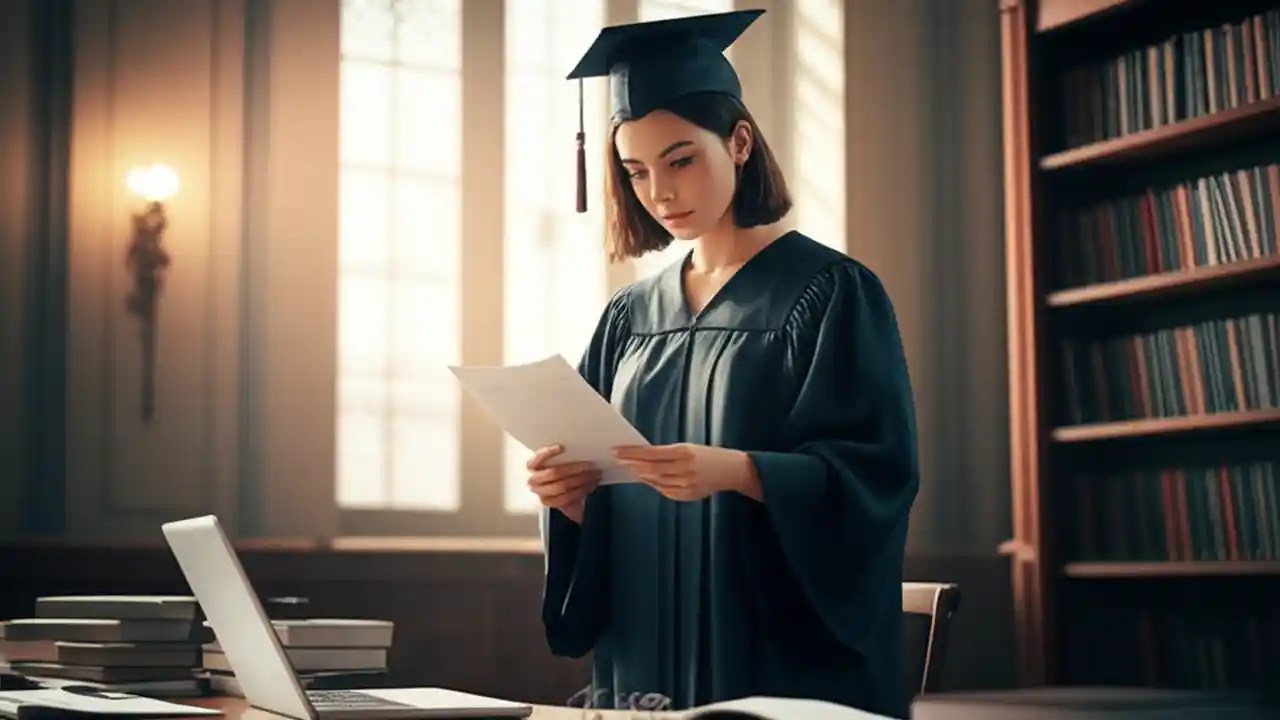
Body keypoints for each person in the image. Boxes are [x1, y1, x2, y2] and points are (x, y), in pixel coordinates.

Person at [528, 9, 919, 719]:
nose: (661, 192)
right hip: (643, 648)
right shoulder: (628, 318)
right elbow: (608, 483)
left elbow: (876, 474)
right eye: (636, 170)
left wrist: (741, 471)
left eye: (681, 159)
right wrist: (573, 499)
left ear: (739, 142)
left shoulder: (830, 293)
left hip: (774, 654)